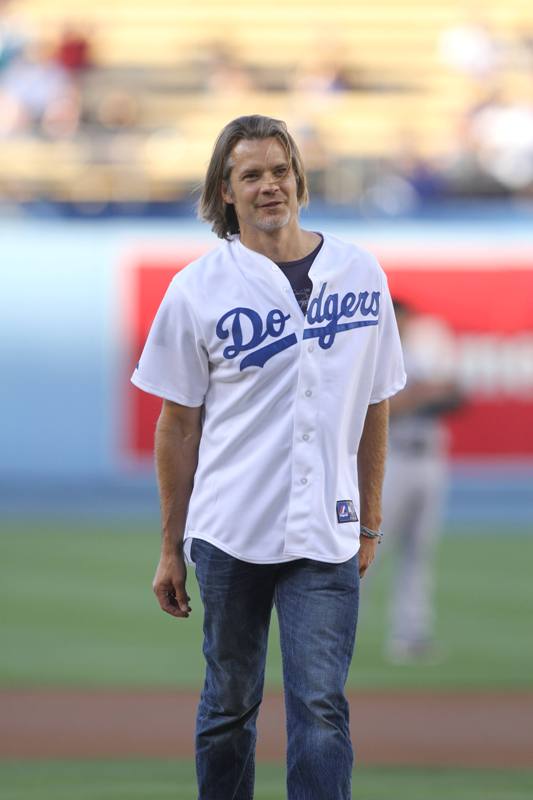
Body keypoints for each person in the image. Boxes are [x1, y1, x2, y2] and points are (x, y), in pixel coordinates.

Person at [131, 114, 406, 800]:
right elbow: (177, 425)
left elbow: (374, 403)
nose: (268, 186)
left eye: (278, 170)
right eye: (250, 175)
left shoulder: (359, 272)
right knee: (228, 708)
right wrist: (170, 546)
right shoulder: (197, 288)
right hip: (228, 530)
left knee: (320, 708)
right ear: (225, 192)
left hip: (324, 529)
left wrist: (368, 519)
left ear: (298, 178)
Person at [383, 299, 463, 664]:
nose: (405, 323)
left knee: (419, 551)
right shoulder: (380, 356)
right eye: (400, 317)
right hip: (392, 459)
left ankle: (411, 635)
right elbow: (380, 411)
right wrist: (420, 395)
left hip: (430, 457)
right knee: (370, 549)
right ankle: (336, 631)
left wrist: (423, 395)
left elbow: (458, 396)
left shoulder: (420, 354)